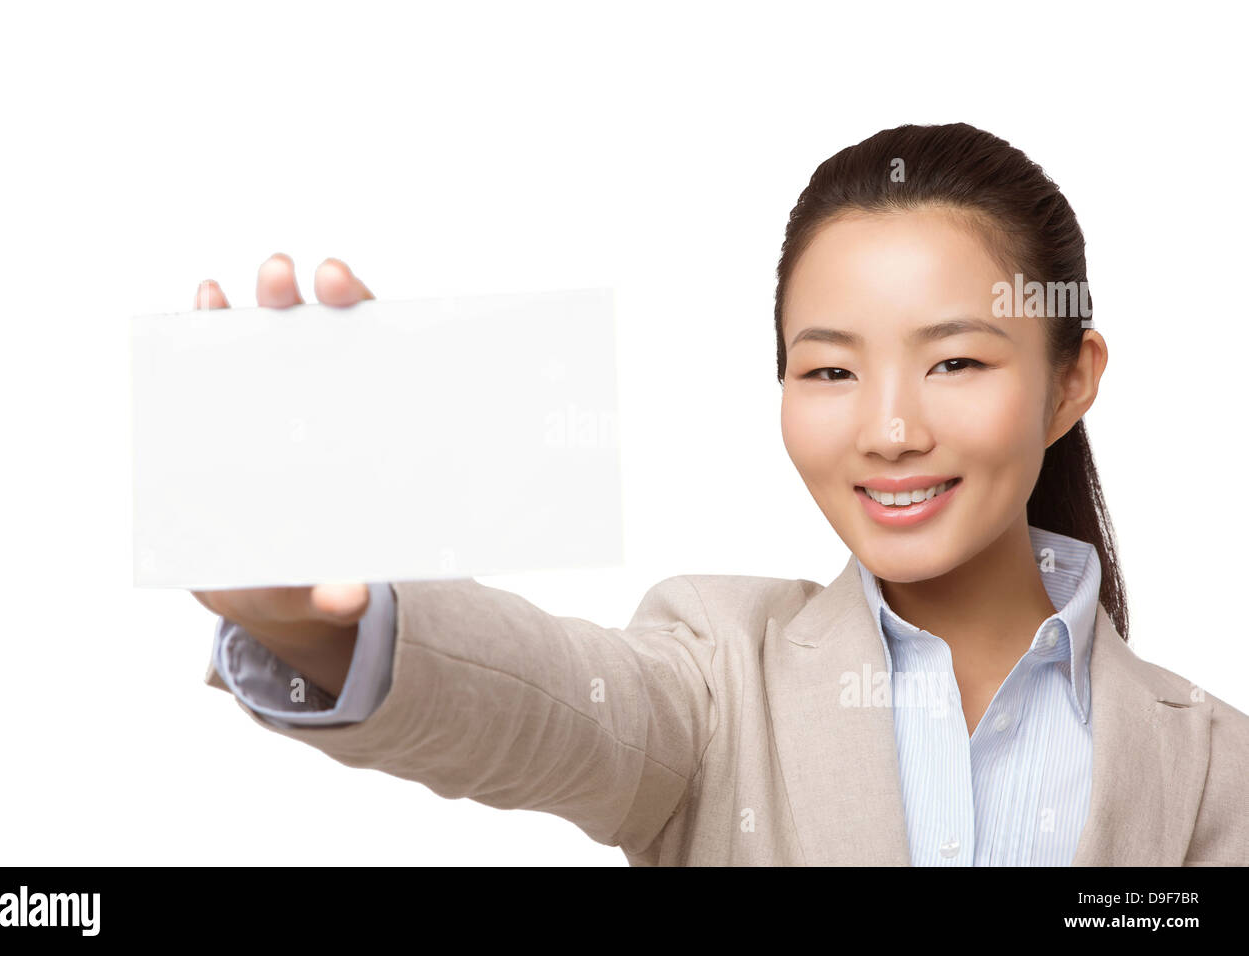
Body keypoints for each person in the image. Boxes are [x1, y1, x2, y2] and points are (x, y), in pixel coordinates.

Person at [191, 123, 1249, 866]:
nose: (889, 429)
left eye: (956, 363)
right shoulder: (714, 676)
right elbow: (544, 703)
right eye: (829, 370)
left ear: (1070, 379)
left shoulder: (1211, 764)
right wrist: (337, 625)